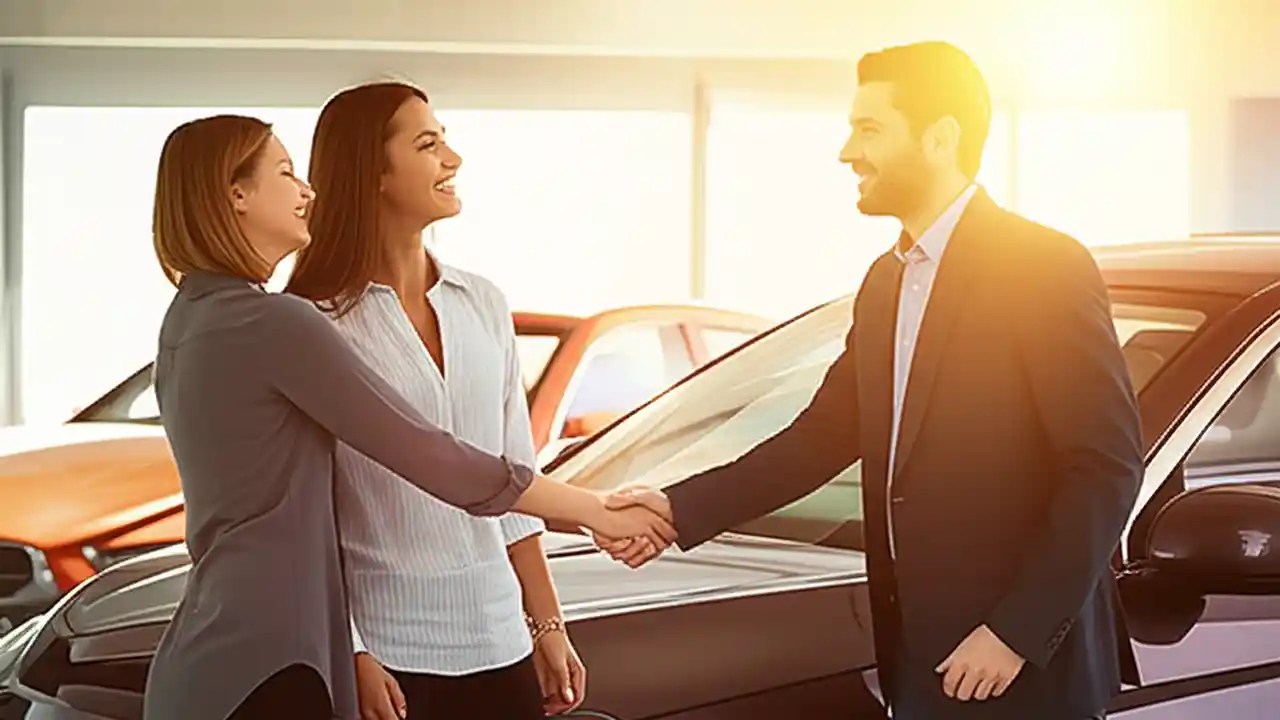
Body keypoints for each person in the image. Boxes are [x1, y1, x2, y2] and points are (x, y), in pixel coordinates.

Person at [602, 41, 1143, 720]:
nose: (847, 152)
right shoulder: (885, 282)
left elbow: (1106, 467)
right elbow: (823, 435)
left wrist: (1014, 633)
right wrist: (677, 507)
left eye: (869, 129)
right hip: (918, 661)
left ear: (940, 137)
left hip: (1020, 670)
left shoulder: (1043, 266)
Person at [144, 114, 674, 720]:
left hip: (209, 659)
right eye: (286, 174)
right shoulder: (276, 324)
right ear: (236, 194)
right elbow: (431, 456)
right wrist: (596, 509)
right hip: (277, 663)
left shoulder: (188, 321)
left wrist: (544, 617)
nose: (307, 191)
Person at [285, 81, 582, 720]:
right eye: (428, 143)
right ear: (375, 172)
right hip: (391, 658)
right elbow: (307, 518)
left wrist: (547, 625)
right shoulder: (314, 323)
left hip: (500, 640)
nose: (453, 158)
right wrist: (354, 651)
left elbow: (514, 479)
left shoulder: (484, 304)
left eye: (444, 139)